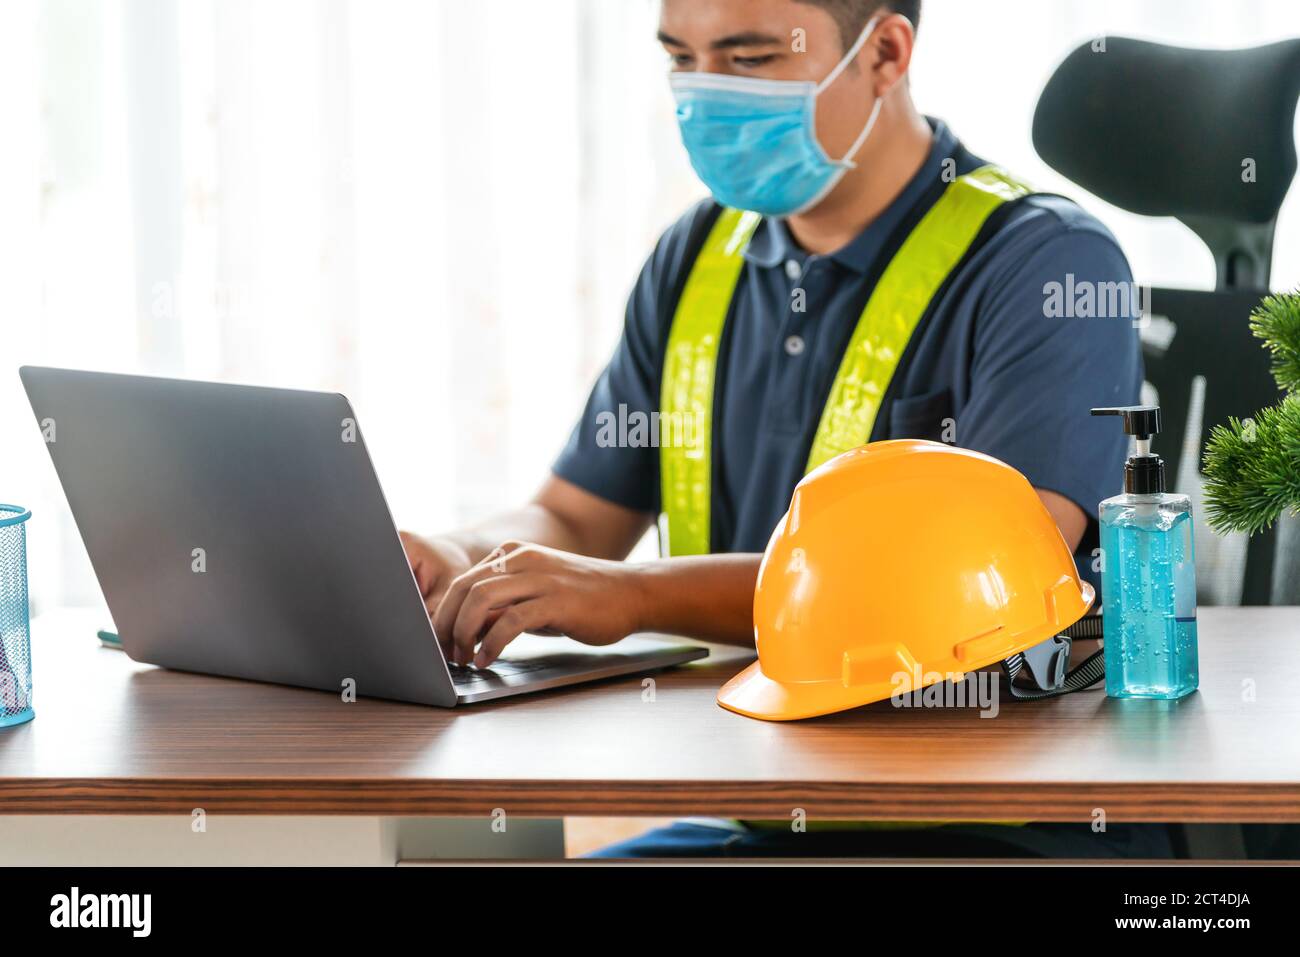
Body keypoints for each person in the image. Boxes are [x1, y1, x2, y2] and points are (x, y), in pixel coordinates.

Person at [402, 0, 1159, 858]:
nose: (703, 95)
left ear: (884, 52)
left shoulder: (1048, 264)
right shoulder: (696, 256)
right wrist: (466, 557)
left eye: (750, 57)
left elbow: (961, 586)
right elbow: (576, 519)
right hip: (770, 809)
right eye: (680, 59)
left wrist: (632, 594)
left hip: (990, 822)